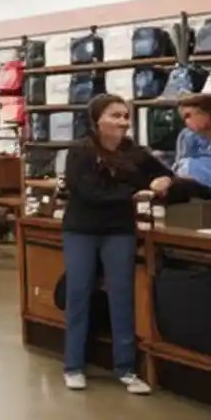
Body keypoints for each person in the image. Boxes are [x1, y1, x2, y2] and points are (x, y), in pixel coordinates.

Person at [61, 93, 177, 395]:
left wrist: (164, 182)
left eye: (125, 116)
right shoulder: (80, 152)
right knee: (79, 292)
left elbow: (163, 174)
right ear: (98, 119)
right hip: (82, 230)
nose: (123, 122)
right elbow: (87, 192)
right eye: (115, 115)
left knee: (122, 295)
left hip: (119, 231)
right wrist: (134, 191)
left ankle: (125, 368)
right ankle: (73, 365)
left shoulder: (134, 153)